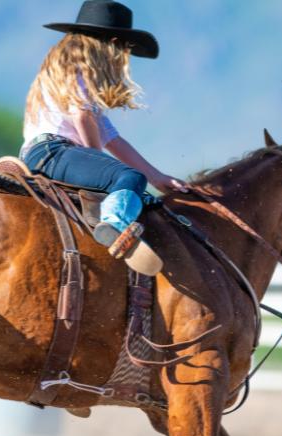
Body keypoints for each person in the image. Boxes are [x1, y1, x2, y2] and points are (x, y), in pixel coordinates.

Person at [20, 0, 188, 275]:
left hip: (42, 153)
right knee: (130, 179)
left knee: (133, 178)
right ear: (111, 43)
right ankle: (113, 225)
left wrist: (158, 177)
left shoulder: (62, 73)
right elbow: (82, 117)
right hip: (56, 152)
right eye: (123, 48)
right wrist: (99, 160)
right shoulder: (78, 72)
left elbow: (114, 140)